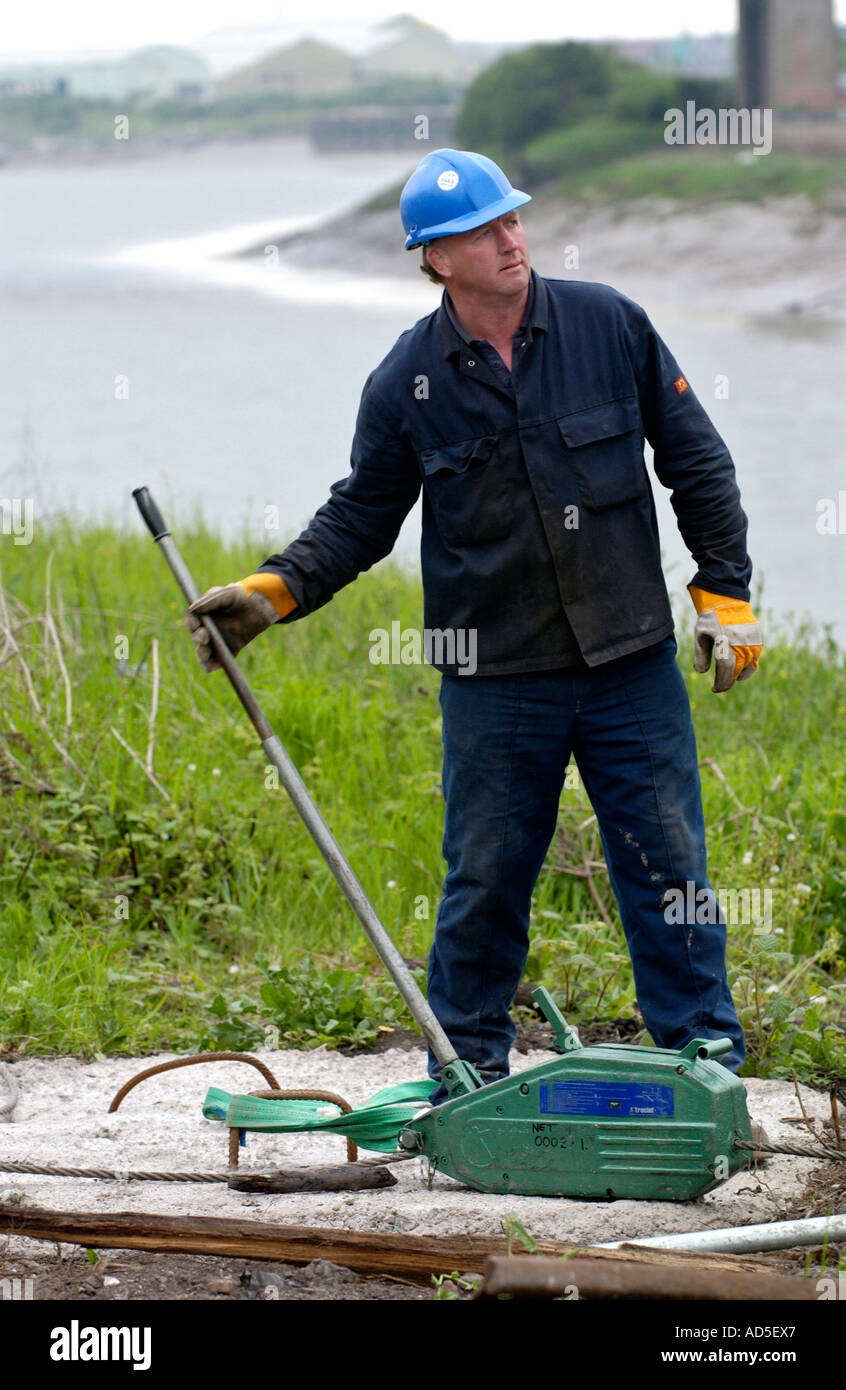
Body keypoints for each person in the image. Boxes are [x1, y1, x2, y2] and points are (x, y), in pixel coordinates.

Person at [186, 148, 763, 1103]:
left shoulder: (610, 324)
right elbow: (361, 516)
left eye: (513, 219)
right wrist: (273, 592)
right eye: (484, 230)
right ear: (435, 257)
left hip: (630, 662)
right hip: (496, 677)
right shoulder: (407, 380)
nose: (511, 237)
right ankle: (467, 1075)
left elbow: (696, 461)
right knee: (484, 883)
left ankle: (704, 1062)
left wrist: (727, 593)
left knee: (671, 869)